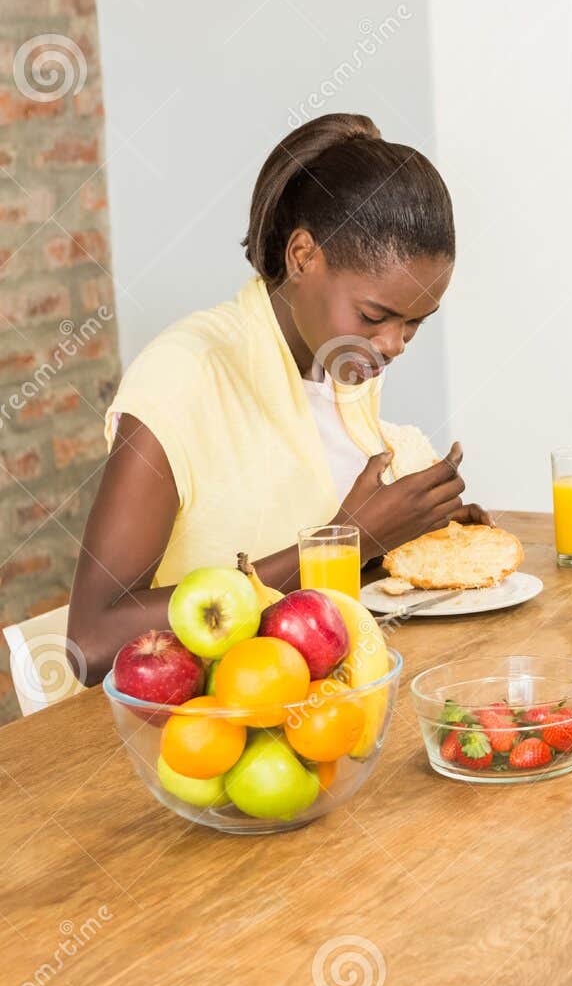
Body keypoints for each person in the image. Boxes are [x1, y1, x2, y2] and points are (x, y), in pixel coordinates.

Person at [69, 113, 488, 683]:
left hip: (318, 709)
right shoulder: (185, 374)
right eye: (375, 315)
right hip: (198, 734)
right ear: (301, 255)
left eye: (416, 323)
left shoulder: (342, 368)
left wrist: (412, 537)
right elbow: (90, 641)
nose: (394, 344)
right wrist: (347, 542)